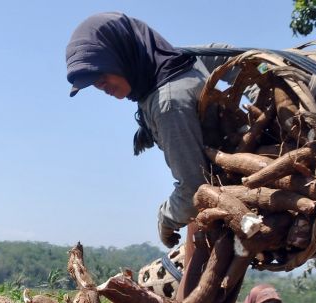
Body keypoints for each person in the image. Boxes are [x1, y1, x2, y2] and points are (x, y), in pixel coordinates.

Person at [66, 13, 225, 248]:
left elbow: (195, 189)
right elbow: (224, 52)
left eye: (101, 74)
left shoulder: (168, 103)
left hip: (219, 205)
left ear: (123, 54)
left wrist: (165, 219)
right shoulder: (181, 61)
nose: (100, 86)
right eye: (93, 83)